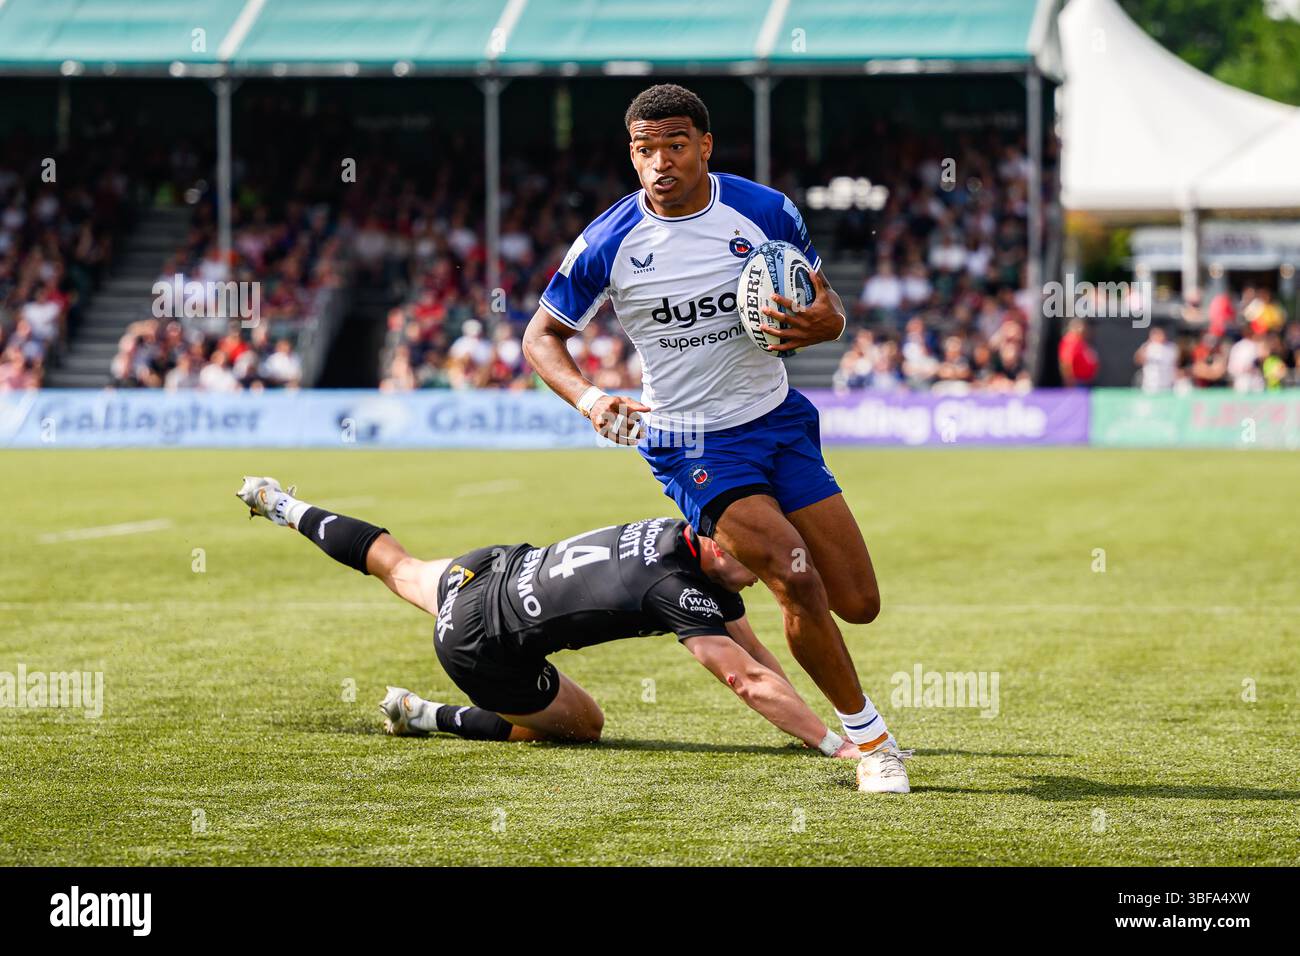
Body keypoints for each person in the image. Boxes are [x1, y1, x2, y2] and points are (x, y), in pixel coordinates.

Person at [522, 84, 909, 778]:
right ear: (632, 156)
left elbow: (824, 304)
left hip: (779, 421)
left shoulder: (764, 211)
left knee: (859, 602)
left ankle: (747, 570)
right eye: (646, 150)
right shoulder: (609, 241)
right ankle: (873, 746)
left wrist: (832, 323)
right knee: (795, 577)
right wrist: (587, 397)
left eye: (675, 145)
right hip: (689, 440)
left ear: (705, 146)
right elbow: (540, 336)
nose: (661, 162)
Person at [234, 477, 911, 792]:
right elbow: (744, 676)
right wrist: (833, 745)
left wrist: (814, 719)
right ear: (715, 547)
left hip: (487, 570)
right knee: (584, 724)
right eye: (754, 565)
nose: (761, 576)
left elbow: (755, 651)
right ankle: (426, 714)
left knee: (395, 563)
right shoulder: (671, 591)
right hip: (481, 646)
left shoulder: (682, 540)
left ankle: (282, 503)